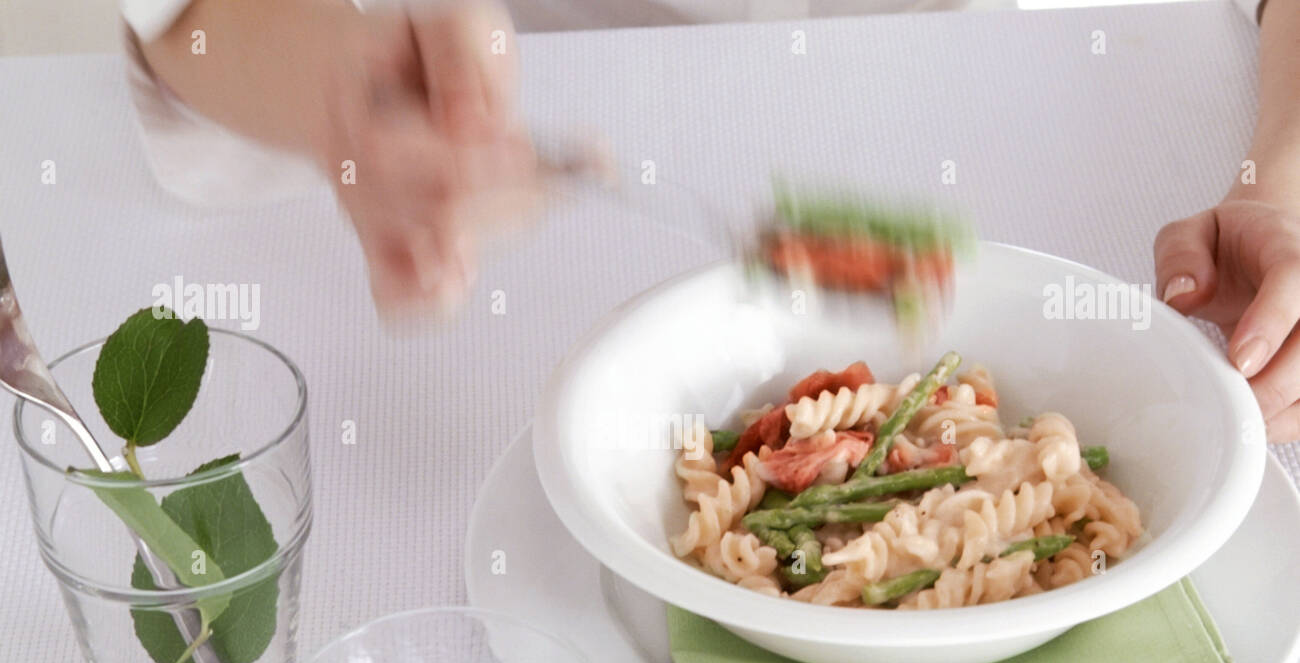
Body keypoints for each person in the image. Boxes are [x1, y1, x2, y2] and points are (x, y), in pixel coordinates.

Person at [120, 0, 1299, 441]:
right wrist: (349, 92)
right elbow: (193, 16)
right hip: (553, 200)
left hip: (1142, 138)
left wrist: (1281, 182)